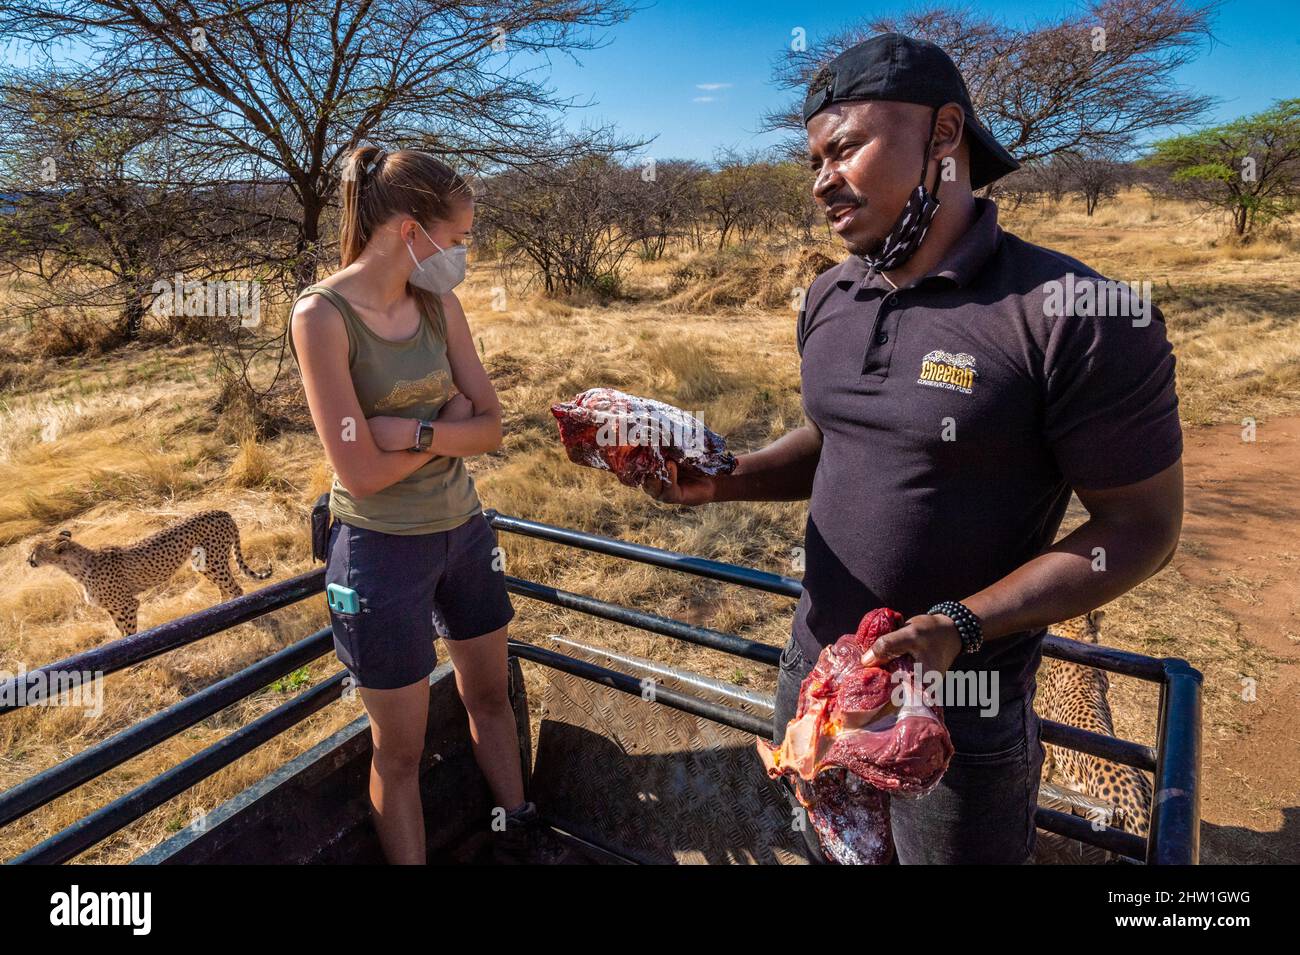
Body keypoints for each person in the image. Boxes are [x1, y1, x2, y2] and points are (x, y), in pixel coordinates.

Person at [644, 34, 1183, 864]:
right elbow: (838, 441)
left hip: (960, 704)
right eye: (814, 159)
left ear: (943, 135)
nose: (822, 179)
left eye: (847, 147)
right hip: (817, 673)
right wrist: (721, 482)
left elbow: (1141, 526)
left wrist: (961, 625)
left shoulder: (1078, 313)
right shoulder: (831, 292)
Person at [288, 145, 557, 864]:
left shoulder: (439, 304)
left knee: (490, 696)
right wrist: (449, 425)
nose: (463, 253)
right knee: (398, 750)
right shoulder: (322, 315)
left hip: (463, 530)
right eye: (459, 237)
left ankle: (518, 826)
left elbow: (493, 426)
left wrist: (409, 429)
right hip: (379, 549)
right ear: (412, 229)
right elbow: (360, 473)